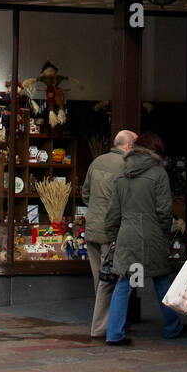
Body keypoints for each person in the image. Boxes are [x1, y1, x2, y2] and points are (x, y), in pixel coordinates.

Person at [104, 131, 187, 346]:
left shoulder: (123, 173)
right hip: (151, 234)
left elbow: (112, 213)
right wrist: (163, 233)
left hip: (127, 234)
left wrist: (112, 236)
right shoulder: (158, 173)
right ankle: (173, 327)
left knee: (124, 282)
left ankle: (114, 334)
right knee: (161, 279)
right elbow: (164, 211)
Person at [82, 129, 137, 337]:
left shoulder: (96, 162)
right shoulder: (126, 167)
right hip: (110, 230)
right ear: (128, 146)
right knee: (110, 280)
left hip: (92, 228)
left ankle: (107, 322)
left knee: (99, 278)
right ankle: (104, 326)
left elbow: (85, 193)